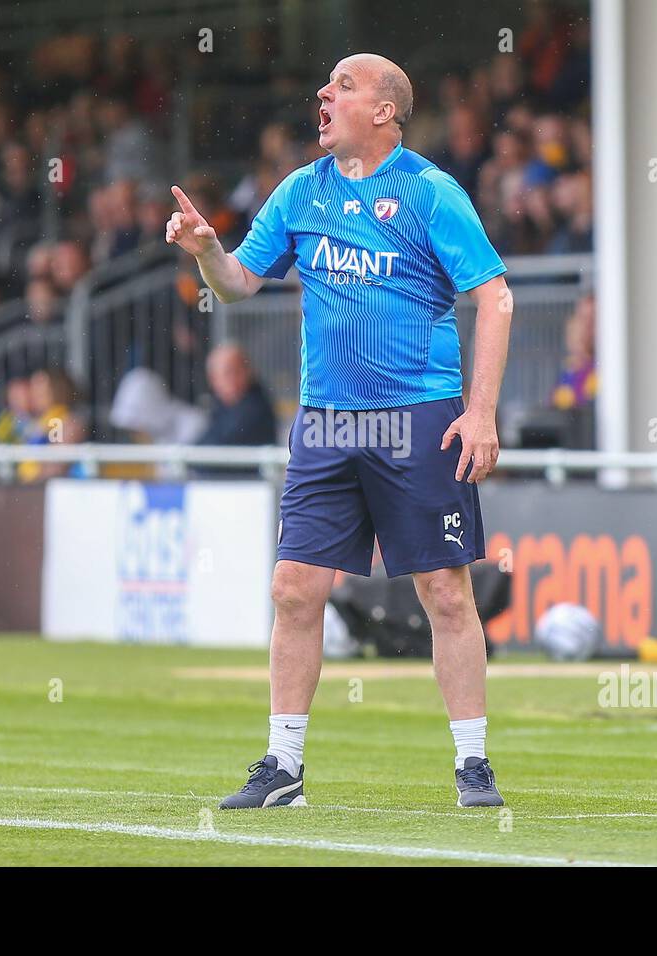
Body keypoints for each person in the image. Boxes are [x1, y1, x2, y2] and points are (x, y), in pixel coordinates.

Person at [167, 52, 512, 809]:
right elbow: (238, 286)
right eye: (325, 84)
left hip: (419, 416)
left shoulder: (429, 191)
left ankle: (473, 766)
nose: (322, 94)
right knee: (294, 589)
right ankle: (282, 767)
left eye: (344, 86)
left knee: (445, 592)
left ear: (385, 111)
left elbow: (496, 298)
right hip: (325, 424)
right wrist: (205, 252)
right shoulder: (300, 190)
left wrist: (479, 410)